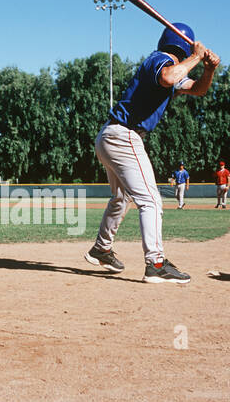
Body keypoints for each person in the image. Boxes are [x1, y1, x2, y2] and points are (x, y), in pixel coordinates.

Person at [82, 23, 220, 284]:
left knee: (121, 198)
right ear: (185, 47)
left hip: (111, 136)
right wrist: (196, 56)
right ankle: (156, 264)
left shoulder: (173, 66)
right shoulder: (161, 60)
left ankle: (101, 248)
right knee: (152, 201)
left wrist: (209, 69)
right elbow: (168, 77)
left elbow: (197, 89)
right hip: (124, 135)